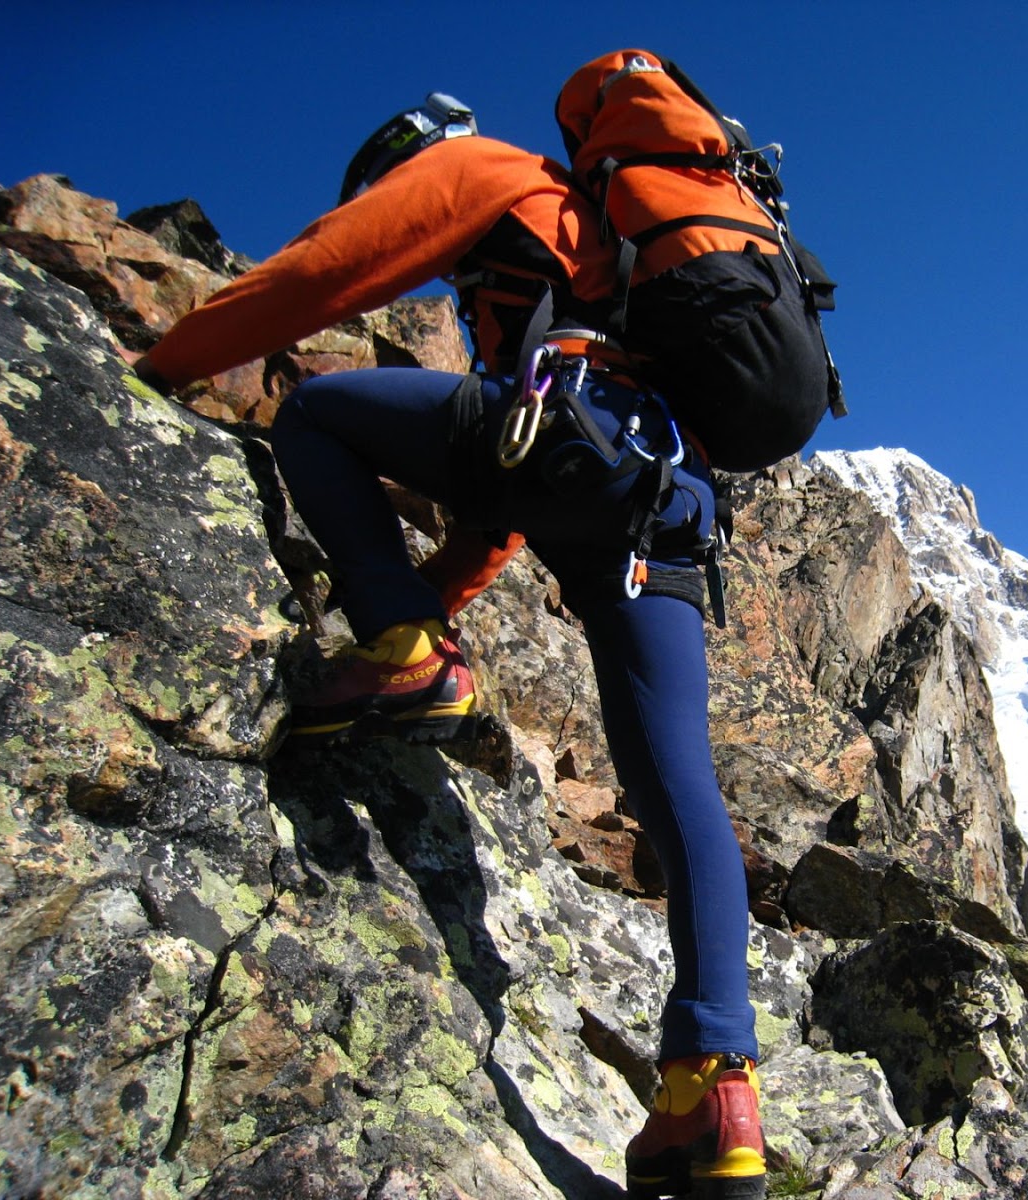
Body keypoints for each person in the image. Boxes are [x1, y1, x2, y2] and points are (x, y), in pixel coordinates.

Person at [134, 93, 766, 1200]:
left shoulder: (480, 172)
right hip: (661, 502)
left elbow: (322, 275)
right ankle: (712, 1098)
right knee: (680, 792)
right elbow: (504, 498)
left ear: (408, 156)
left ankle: (401, 647)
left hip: (573, 441)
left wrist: (159, 368)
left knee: (317, 417)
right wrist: (434, 603)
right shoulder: (588, 255)